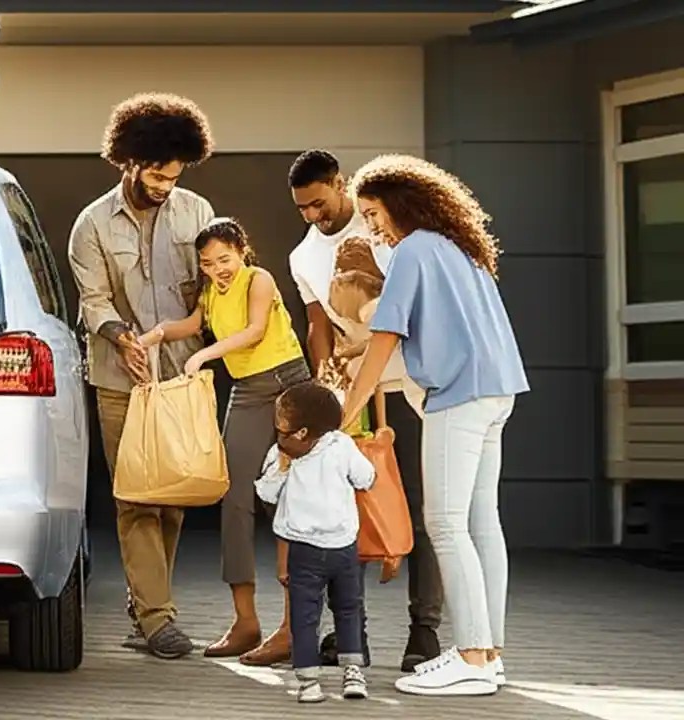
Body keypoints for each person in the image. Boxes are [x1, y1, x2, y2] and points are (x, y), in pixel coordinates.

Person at [340, 153, 529, 697]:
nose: (373, 226)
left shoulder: (415, 250)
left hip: (459, 397)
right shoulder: (461, 247)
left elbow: (383, 338)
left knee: (444, 523)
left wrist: (346, 413)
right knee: (481, 521)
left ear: (401, 205)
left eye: (374, 213)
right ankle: (488, 653)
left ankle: (470, 655)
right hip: (498, 392)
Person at [248, 149, 441, 673]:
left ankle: (424, 630)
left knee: (420, 507)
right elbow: (318, 323)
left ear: (340, 183)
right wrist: (323, 385)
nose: (312, 215)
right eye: (302, 209)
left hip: (407, 386)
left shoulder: (383, 228)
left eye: (318, 202)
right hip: (347, 395)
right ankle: (353, 634)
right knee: (345, 512)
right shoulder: (302, 255)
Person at [67, 92, 215, 659]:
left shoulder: (197, 212)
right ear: (128, 160)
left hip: (181, 376)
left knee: (172, 496)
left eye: (173, 177)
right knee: (135, 497)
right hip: (118, 378)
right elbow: (94, 300)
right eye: (156, 175)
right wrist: (120, 338)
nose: (164, 186)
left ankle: (147, 602)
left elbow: (211, 288)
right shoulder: (91, 224)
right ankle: (157, 617)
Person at [137, 218, 310, 659]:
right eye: (208, 263)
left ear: (241, 250)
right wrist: (152, 335)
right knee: (234, 498)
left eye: (224, 259)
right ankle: (245, 622)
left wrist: (204, 356)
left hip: (290, 384)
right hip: (250, 390)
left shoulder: (259, 278)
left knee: (294, 502)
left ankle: (294, 628)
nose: (217, 270)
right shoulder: (211, 293)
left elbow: (253, 331)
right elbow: (191, 323)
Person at [257, 382, 374, 703]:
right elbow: (366, 477)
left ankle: (309, 682)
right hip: (340, 546)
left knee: (305, 615)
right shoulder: (341, 446)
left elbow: (265, 493)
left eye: (281, 427)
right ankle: (353, 673)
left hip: (310, 550)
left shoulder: (303, 451)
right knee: (348, 609)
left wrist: (281, 469)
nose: (277, 433)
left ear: (303, 432)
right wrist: (282, 468)